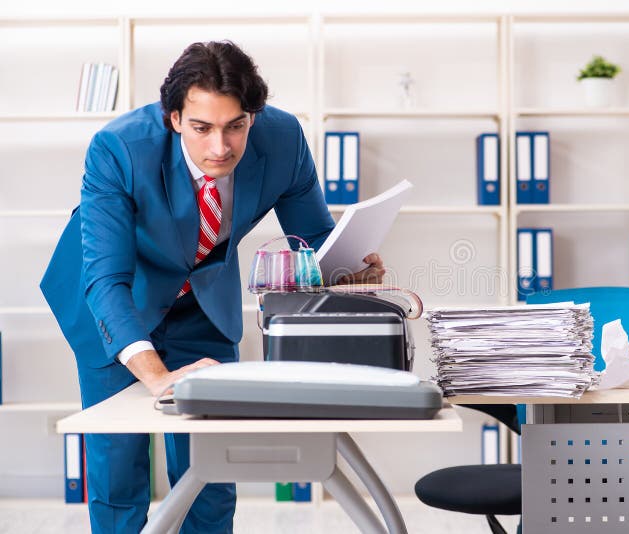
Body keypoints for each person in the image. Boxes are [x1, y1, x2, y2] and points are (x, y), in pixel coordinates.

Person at [40, 41, 384, 533]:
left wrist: (350, 268)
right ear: (174, 118)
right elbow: (107, 277)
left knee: (212, 471)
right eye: (202, 128)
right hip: (115, 300)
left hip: (202, 300)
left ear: (254, 115)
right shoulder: (120, 148)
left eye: (236, 126)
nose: (220, 147)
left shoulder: (282, 139)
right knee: (119, 472)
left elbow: (314, 237)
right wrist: (156, 376)